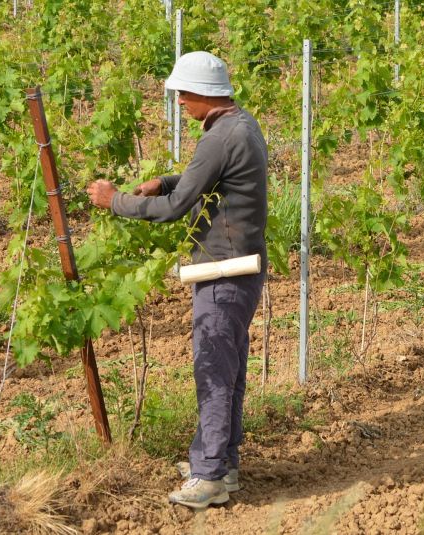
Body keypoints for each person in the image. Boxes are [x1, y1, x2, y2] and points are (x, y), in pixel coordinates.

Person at [87, 51, 268, 509]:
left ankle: (207, 476)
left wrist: (117, 201)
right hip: (242, 266)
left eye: (183, 95)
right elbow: (206, 181)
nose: (181, 104)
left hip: (223, 271)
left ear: (202, 95)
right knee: (229, 369)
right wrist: (166, 181)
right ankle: (223, 464)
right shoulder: (241, 124)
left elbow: (174, 212)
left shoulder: (219, 138)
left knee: (212, 369)